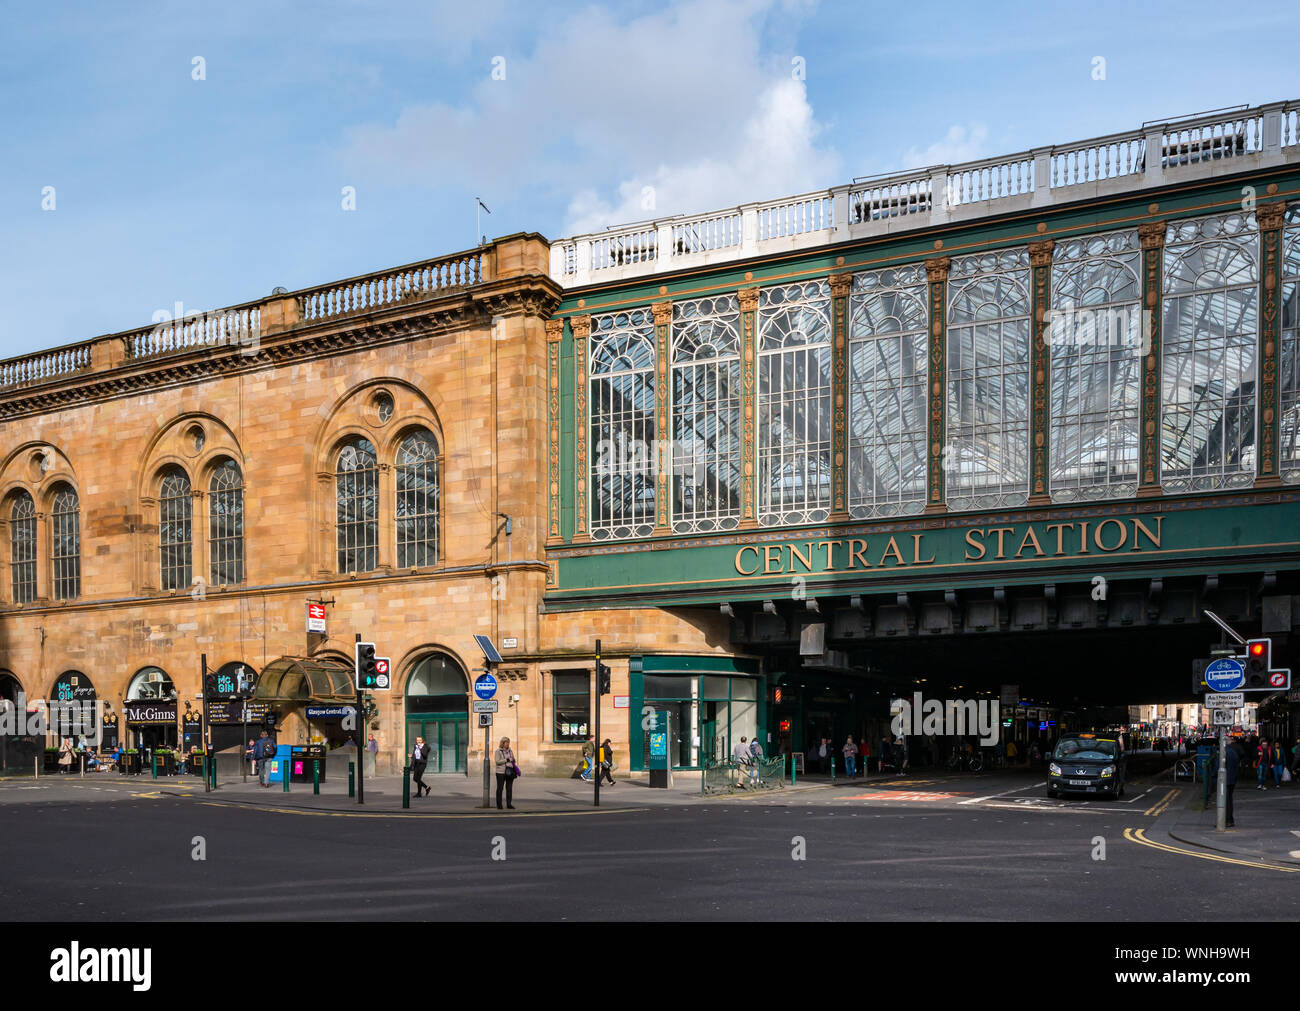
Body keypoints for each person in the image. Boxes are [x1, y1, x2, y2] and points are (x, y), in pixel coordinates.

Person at [493, 736, 517, 810]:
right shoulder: (498, 751)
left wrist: (513, 759)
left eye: (508, 742)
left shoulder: (510, 751)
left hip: (510, 772)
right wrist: (506, 760)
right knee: (500, 788)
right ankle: (499, 805)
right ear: (503, 743)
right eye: (506, 742)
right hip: (500, 772)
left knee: (509, 789)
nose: (508, 744)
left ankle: (509, 804)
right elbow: (497, 761)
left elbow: (513, 759)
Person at [1223, 737, 1241, 827]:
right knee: (1229, 800)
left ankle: (1226, 820)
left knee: (1224, 801)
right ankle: (1230, 820)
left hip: (1224, 780)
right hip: (1232, 779)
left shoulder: (1223, 752)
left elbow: (1217, 766)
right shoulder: (1234, 752)